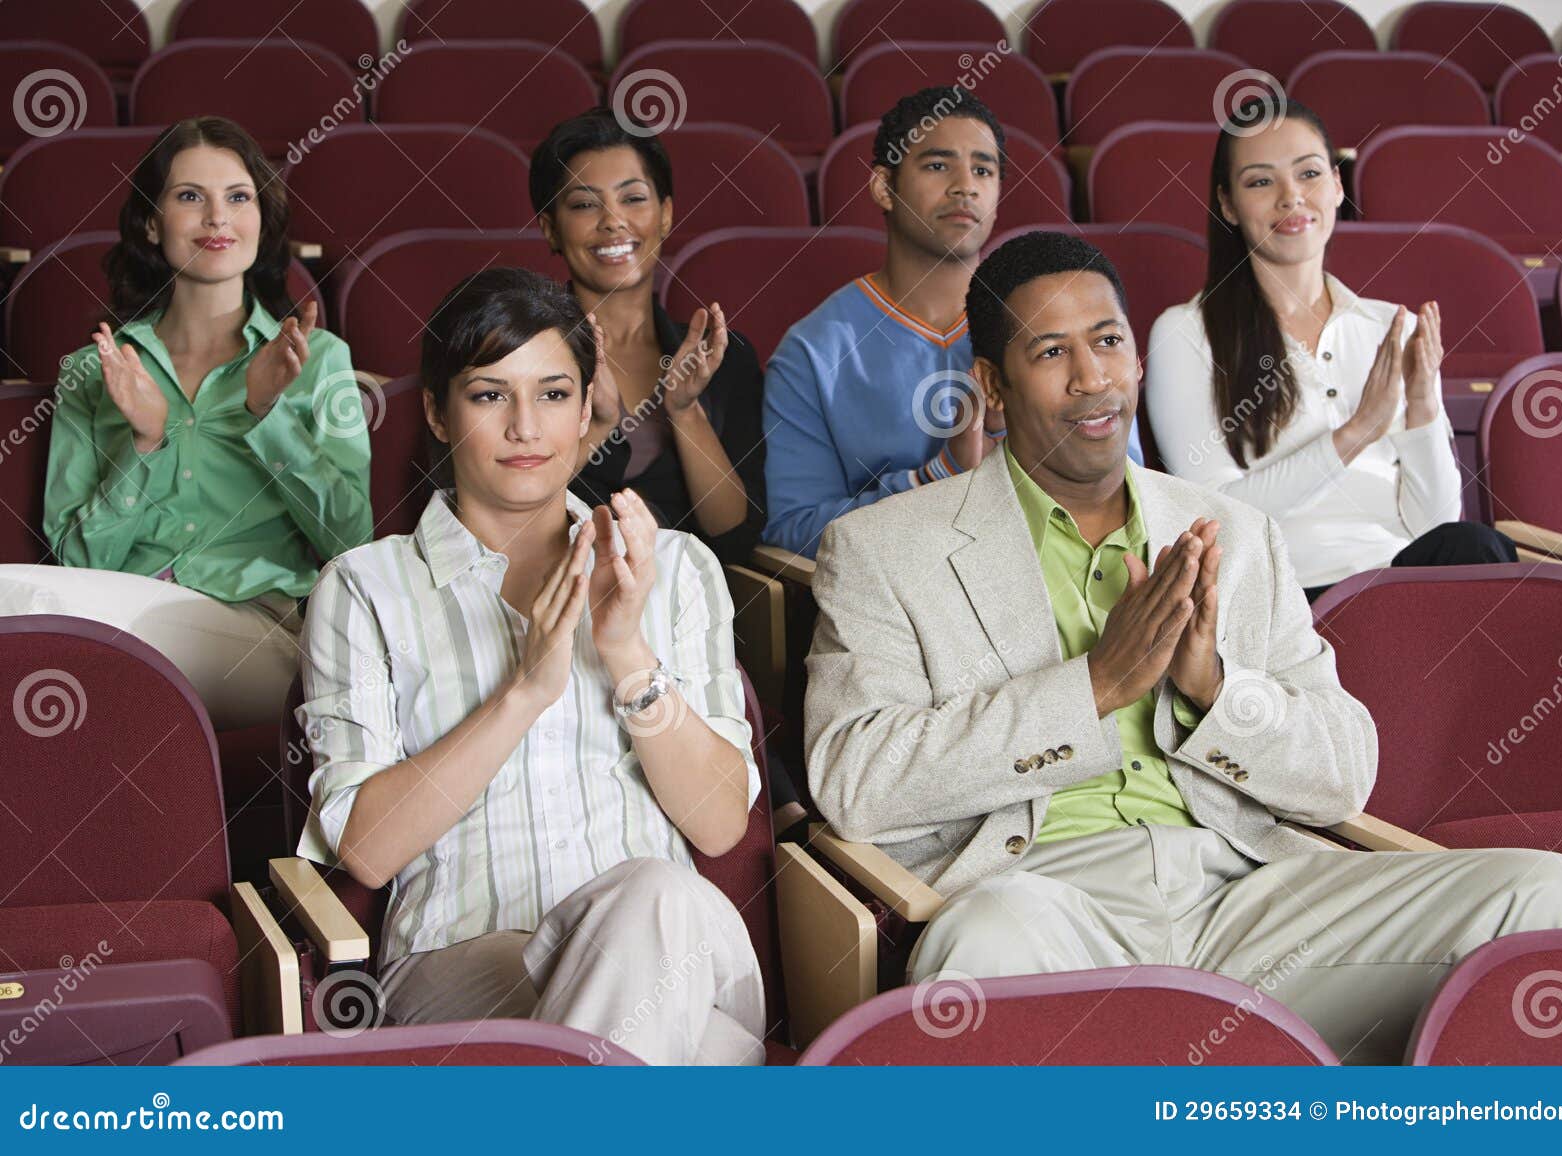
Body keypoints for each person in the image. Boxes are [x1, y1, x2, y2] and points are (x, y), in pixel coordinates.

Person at [804, 230, 1562, 1065]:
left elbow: (1343, 771)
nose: (1092, 377)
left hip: (1253, 896)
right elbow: (855, 782)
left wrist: (1216, 690)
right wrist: (1095, 686)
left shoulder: (1236, 533)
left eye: (1108, 341)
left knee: (1554, 897)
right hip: (1044, 898)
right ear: (993, 388)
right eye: (1051, 352)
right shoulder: (882, 549)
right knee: (986, 944)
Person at [295, 268, 766, 1066]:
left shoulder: (677, 567)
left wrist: (626, 653)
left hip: (678, 942)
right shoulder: (364, 587)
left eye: (553, 394)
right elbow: (367, 852)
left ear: (586, 411)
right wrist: (524, 691)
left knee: (653, 896)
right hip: (464, 964)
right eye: (489, 395)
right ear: (437, 412)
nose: (525, 426)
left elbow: (720, 823)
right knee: (715, 1064)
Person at [0, 116, 372, 731]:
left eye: (239, 197)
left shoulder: (317, 360)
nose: (217, 218)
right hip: (117, 620)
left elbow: (350, 542)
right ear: (152, 222)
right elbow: (78, 560)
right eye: (190, 196)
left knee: (21, 603)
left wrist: (267, 415)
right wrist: (145, 442)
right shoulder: (93, 371)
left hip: (261, 636)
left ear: (262, 219)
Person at [1144, 96, 1513, 600]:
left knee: (1476, 549)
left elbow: (1435, 526)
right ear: (1227, 204)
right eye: (1260, 181)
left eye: (1309, 174)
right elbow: (1218, 519)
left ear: (1338, 186)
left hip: (1398, 583)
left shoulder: (1391, 327)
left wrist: (1422, 408)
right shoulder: (1184, 333)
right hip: (1286, 595)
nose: (1291, 197)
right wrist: (1356, 432)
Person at [762, 86, 1147, 560]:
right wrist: (937, 475)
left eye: (983, 170)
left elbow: (1127, 486)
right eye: (937, 165)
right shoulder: (812, 351)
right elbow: (794, 532)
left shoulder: (1063, 325)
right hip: (899, 586)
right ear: (884, 186)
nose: (966, 186)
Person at [530, 107, 765, 565]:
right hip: (550, 593)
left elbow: (734, 538)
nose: (612, 221)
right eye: (584, 205)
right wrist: (598, 427)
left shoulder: (723, 358)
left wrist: (685, 411)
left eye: (633, 198)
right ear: (550, 228)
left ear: (665, 215)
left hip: (691, 603)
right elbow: (501, 519)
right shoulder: (519, 358)